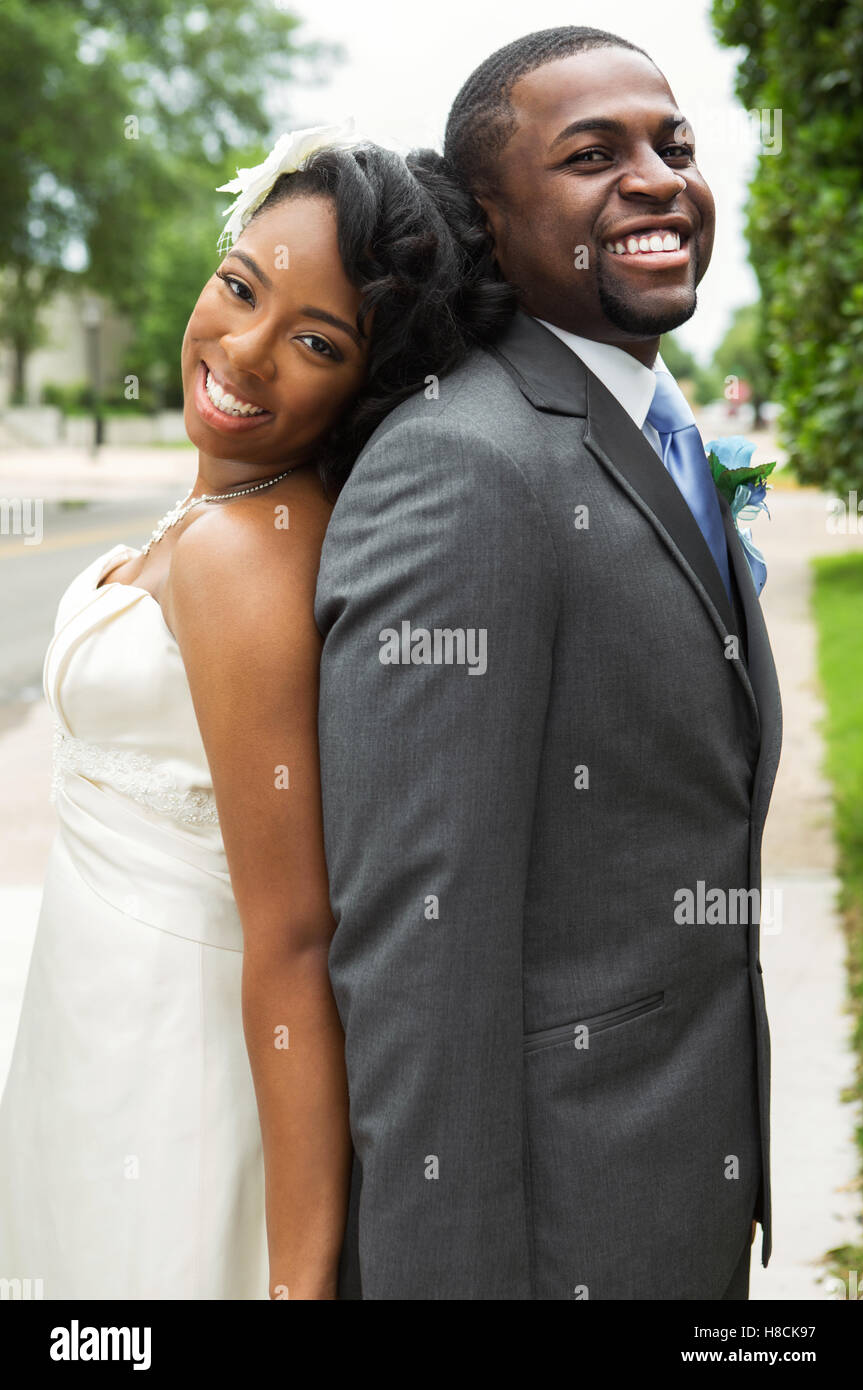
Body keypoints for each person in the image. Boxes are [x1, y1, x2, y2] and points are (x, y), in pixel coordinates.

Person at [0, 125, 514, 1300]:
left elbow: (291, 941)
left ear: (366, 383)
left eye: (316, 342)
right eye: (240, 287)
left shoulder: (246, 555)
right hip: (91, 1030)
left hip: (168, 1070)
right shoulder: (225, 511)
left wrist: (295, 1281)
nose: (242, 349)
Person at [314, 28, 782, 1300]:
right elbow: (420, 953)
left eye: (671, 145)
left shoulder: (655, 432)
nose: (654, 178)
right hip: (554, 1240)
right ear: (487, 215)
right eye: (591, 155)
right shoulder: (462, 466)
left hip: (676, 1193)